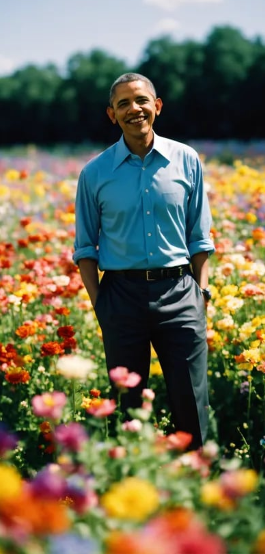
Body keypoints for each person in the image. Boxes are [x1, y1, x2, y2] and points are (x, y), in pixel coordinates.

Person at [73, 73, 214, 452]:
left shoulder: (187, 160)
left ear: (157, 106)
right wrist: (101, 304)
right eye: (123, 104)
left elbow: (200, 238)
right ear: (111, 115)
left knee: (192, 403)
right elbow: (85, 249)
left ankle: (202, 491)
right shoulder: (94, 173)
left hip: (180, 292)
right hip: (121, 296)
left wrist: (200, 293)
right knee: (130, 406)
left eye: (140, 100)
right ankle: (137, 491)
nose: (134, 109)